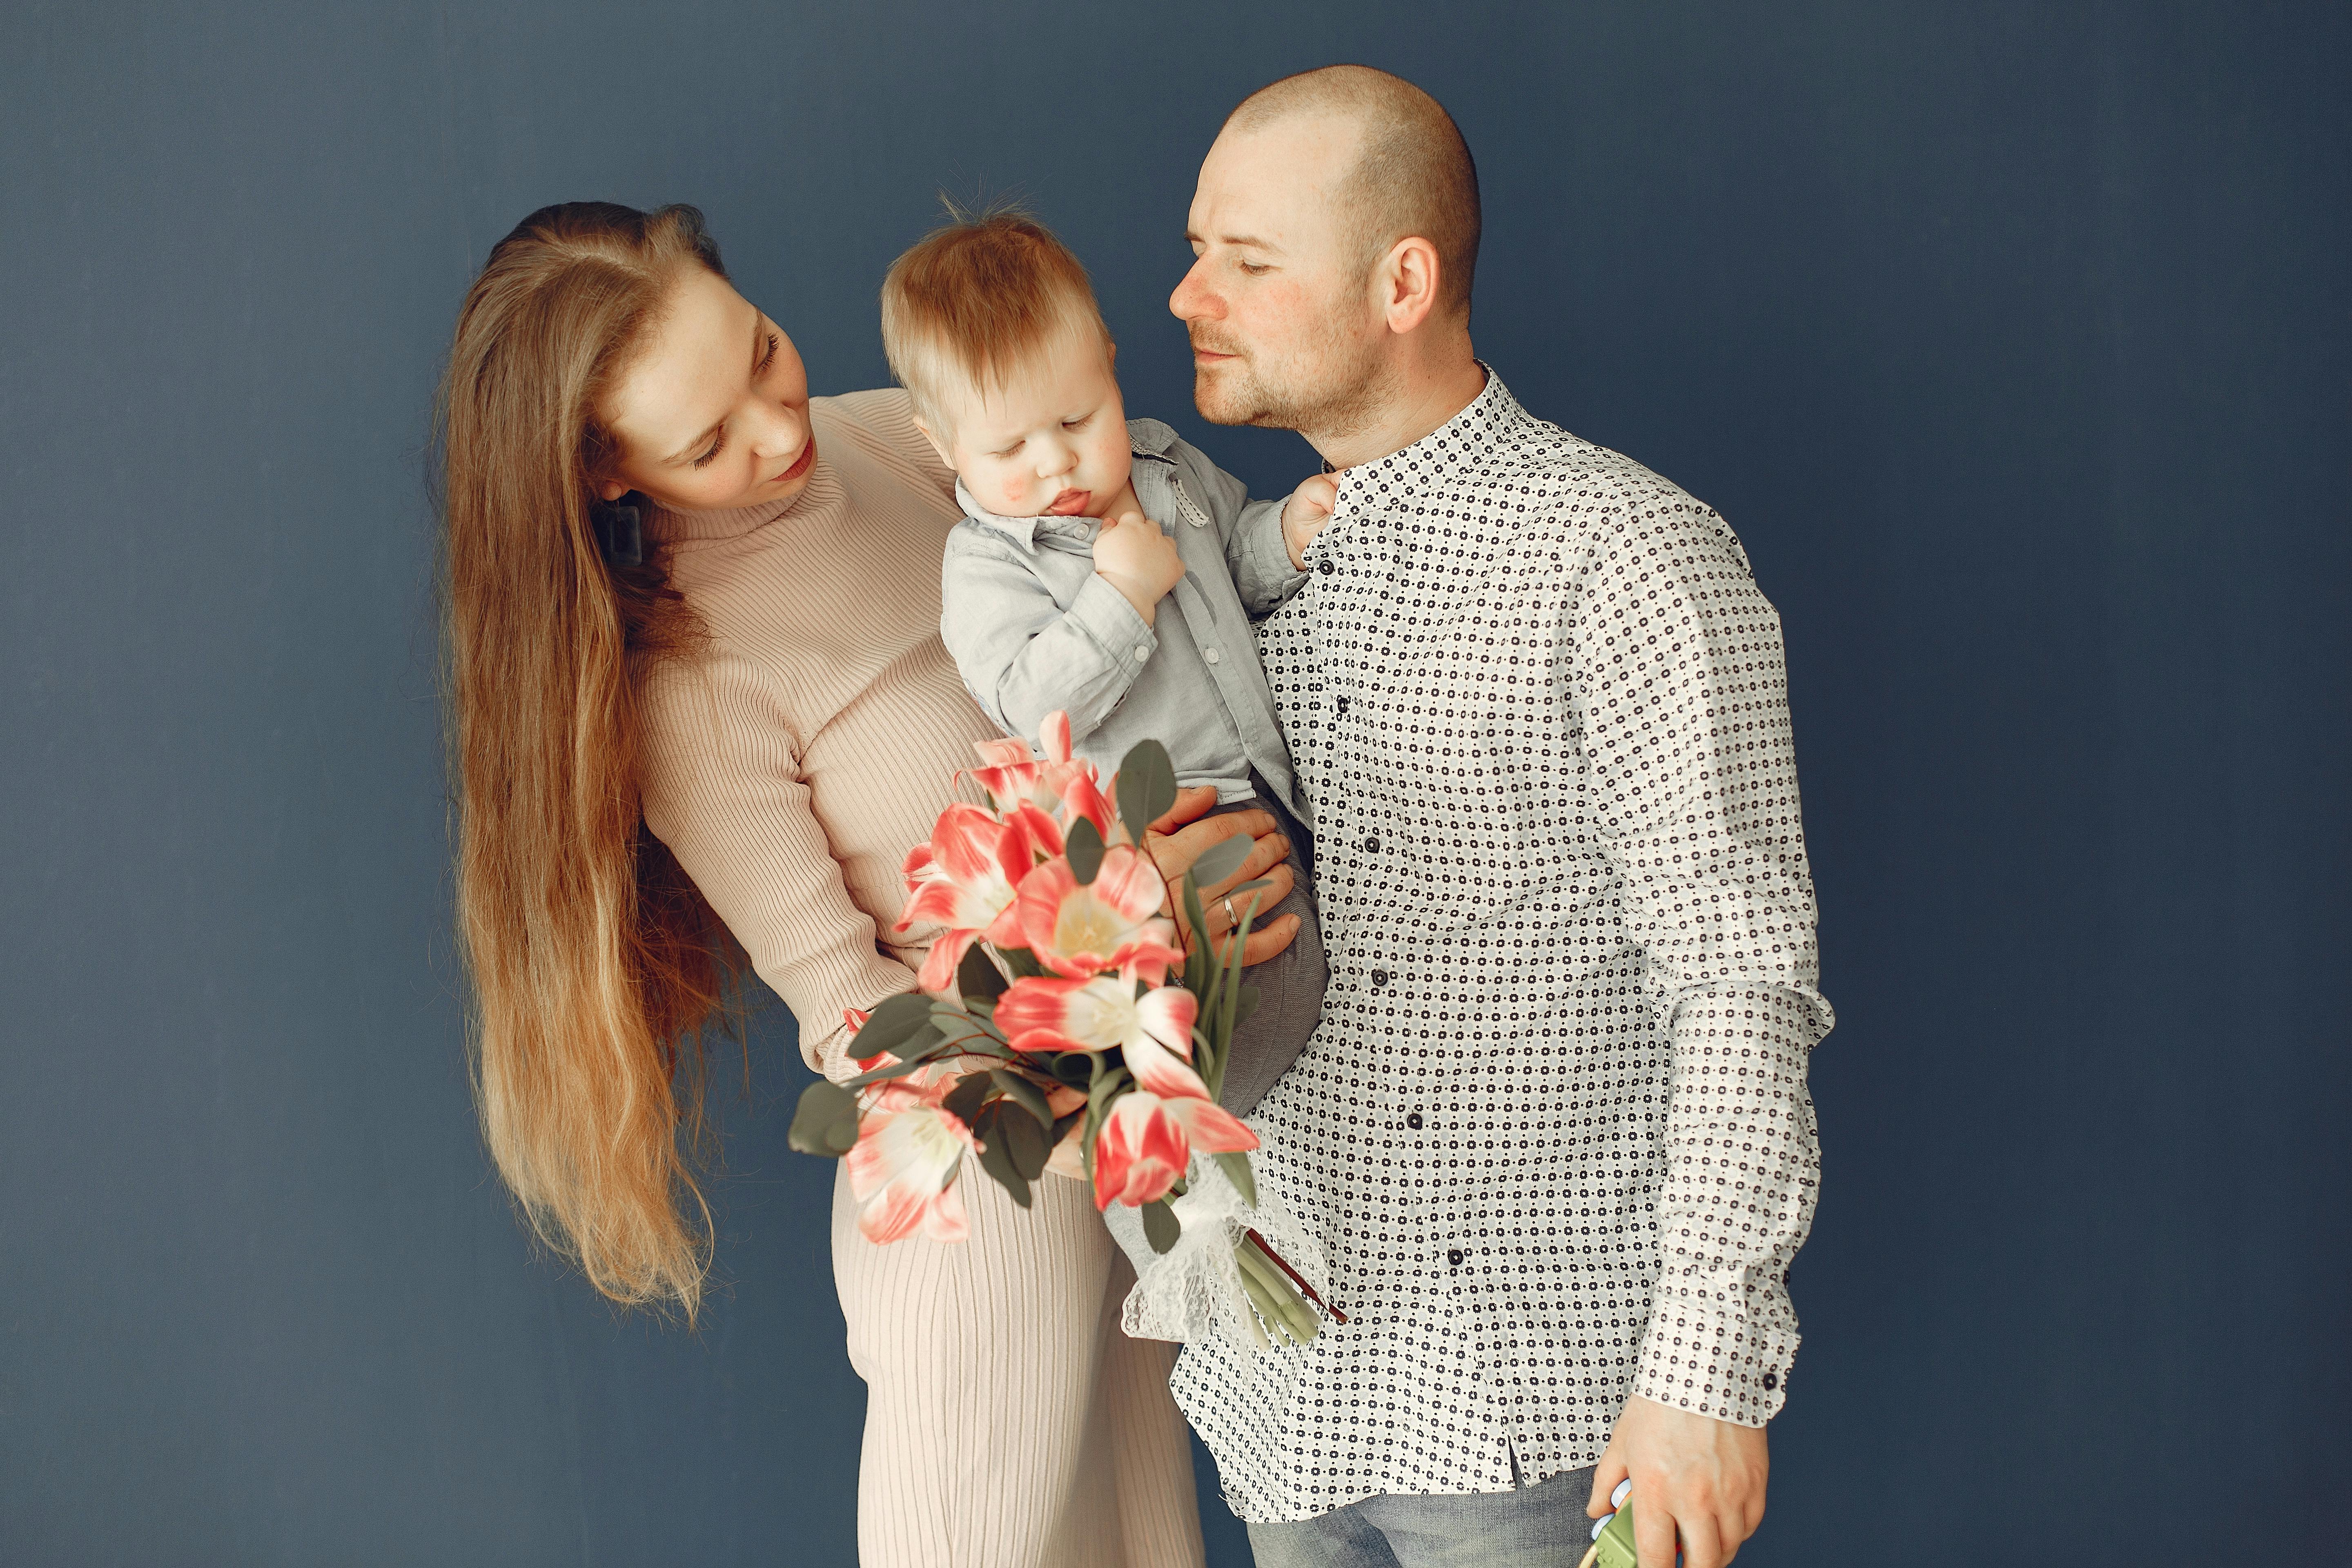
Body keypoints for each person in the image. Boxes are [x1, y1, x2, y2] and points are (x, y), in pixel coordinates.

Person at [436, 200, 1305, 1568]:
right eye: (707, 444)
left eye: (765, 358)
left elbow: (1159, 618)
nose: (779, 436)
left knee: (1149, 1545)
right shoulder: (692, 679)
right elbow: (852, 1019)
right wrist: (1130, 921)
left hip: (1132, 1148)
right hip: (988, 1187)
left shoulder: (917, 435)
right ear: (608, 474)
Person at [1161, 68, 1832, 1568]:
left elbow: (1738, 984)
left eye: (1246, 262)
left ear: (1402, 281)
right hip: (1288, 1409)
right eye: (1198, 249)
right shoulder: (1226, 590)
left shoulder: (1630, 554)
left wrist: (1706, 1378)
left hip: (1538, 1415)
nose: (1187, 295)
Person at [882, 208, 1334, 1122]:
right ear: (944, 447)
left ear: (1111, 366)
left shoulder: (1166, 465)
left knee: (1331, 988)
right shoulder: (987, 563)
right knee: (1260, 1021)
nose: (1056, 463)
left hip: (1276, 784)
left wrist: (1284, 535)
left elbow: (1232, 567)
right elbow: (1031, 703)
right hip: (1168, 828)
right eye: (1010, 449)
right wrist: (1120, 598)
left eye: (1079, 418)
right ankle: (1166, 1127)